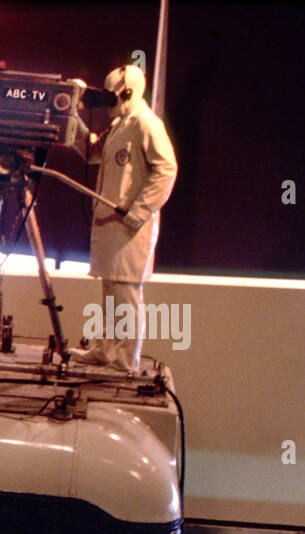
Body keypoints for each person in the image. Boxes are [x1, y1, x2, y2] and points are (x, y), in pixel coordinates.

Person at [70, 65, 177, 373]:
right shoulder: (121, 125)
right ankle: (106, 350)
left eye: (110, 97)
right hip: (113, 226)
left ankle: (126, 359)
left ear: (126, 93)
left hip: (129, 227)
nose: (107, 106)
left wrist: (138, 211)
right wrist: (71, 113)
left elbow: (167, 169)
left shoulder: (145, 123)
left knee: (126, 295)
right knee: (111, 292)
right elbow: (92, 152)